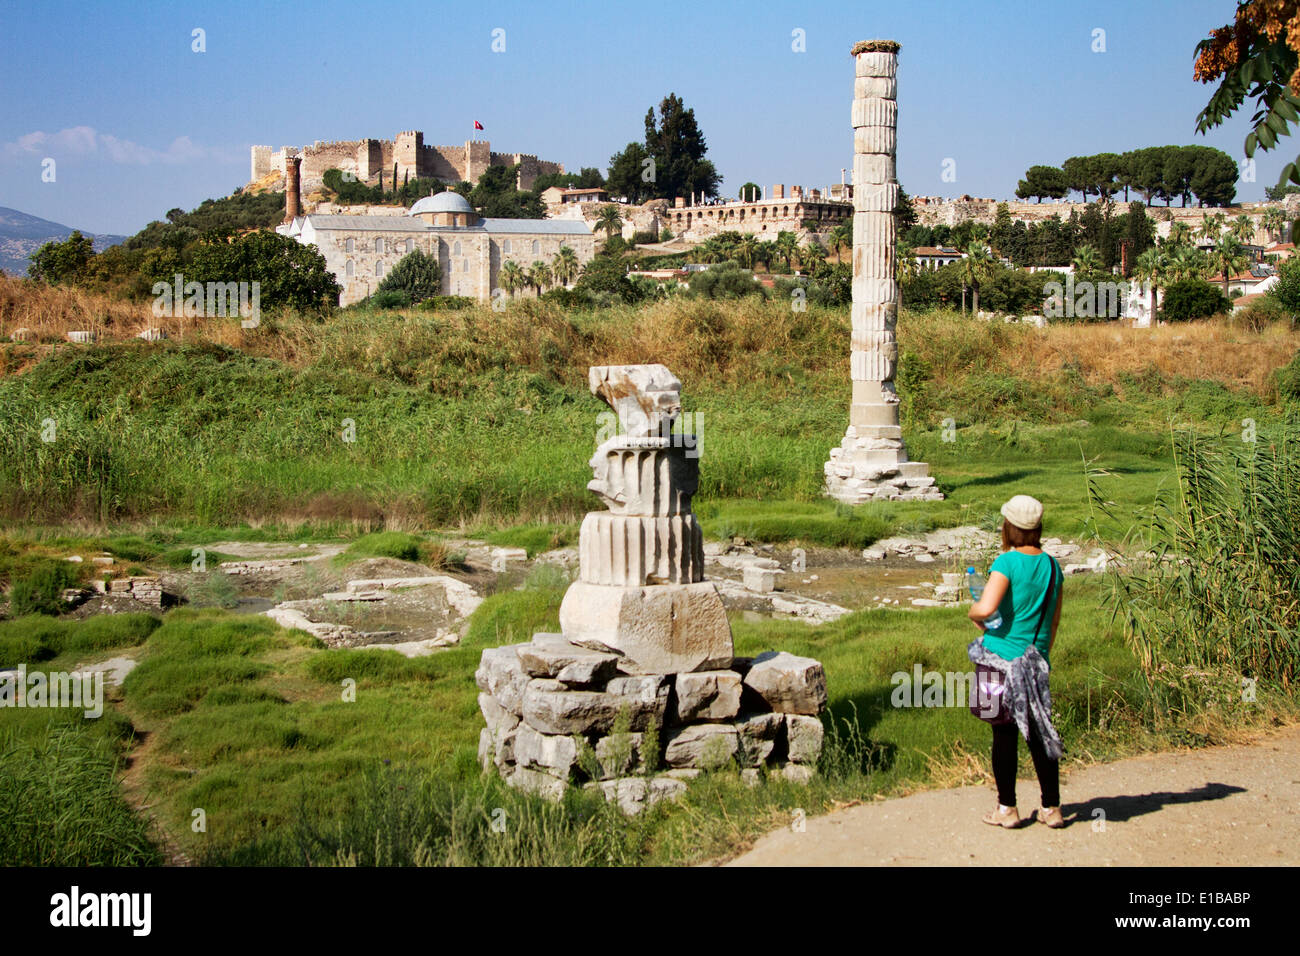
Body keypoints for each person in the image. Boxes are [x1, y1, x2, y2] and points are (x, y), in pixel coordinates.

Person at [967, 494, 1065, 829]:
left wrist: (973, 612)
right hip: (1035, 659)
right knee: (1040, 731)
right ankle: (1052, 808)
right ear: (1038, 528)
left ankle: (1007, 809)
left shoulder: (1006, 563)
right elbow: (1053, 622)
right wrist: (1040, 654)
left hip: (999, 659)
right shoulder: (1053, 566)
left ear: (1008, 527)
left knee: (1003, 733)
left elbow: (985, 608)